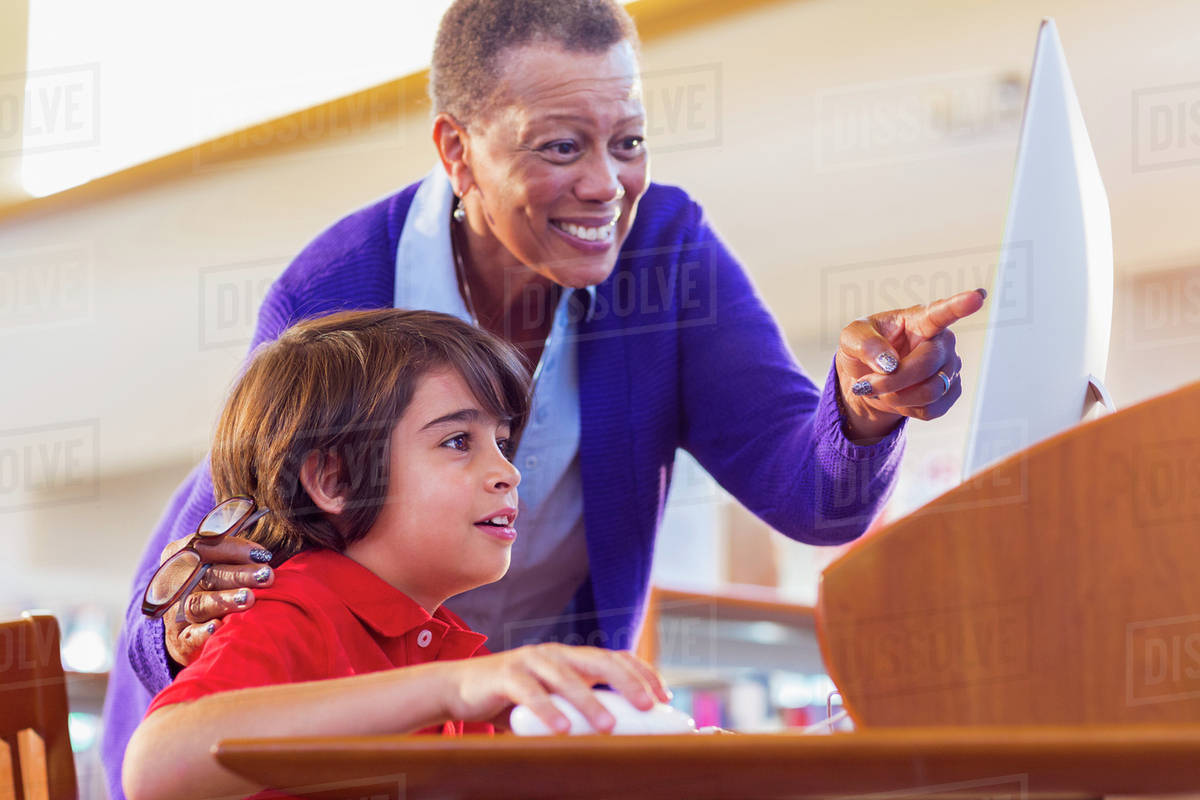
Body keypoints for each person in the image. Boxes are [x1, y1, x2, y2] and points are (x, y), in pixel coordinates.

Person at [102, 1, 984, 796]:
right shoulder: (338, 290)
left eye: (628, 141)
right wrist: (184, 624)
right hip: (302, 714)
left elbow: (813, 494)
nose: (605, 184)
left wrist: (870, 404)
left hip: (496, 701)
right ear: (457, 150)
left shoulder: (666, 257)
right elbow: (245, 541)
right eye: (560, 146)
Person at [122, 309, 670, 800]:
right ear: (335, 481)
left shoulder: (445, 645)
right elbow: (156, 767)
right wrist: (450, 692)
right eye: (458, 441)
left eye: (502, 442)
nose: (508, 471)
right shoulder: (294, 612)